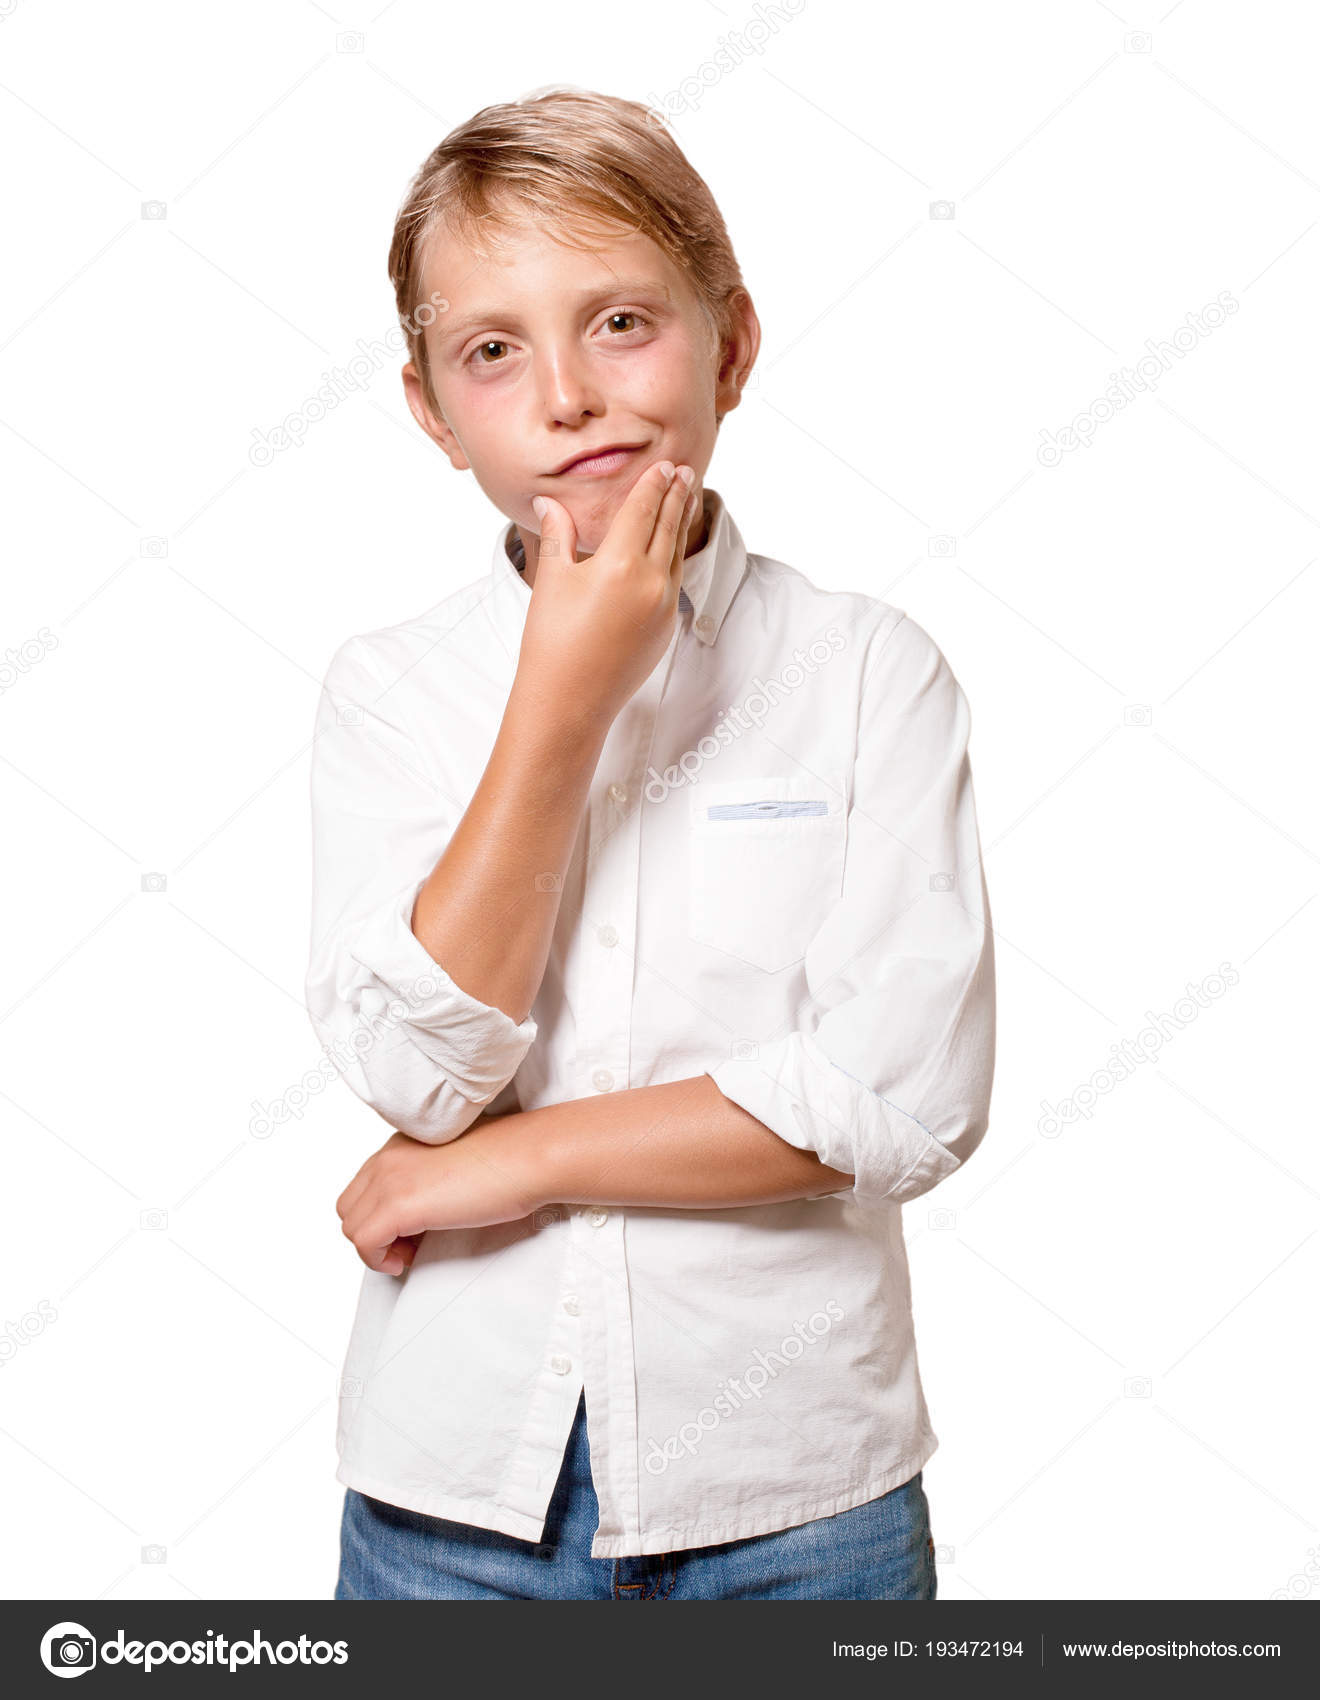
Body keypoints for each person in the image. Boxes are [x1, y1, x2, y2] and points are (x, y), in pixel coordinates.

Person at [304, 87, 996, 1602]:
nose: (567, 396)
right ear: (432, 408)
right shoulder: (391, 690)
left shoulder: (871, 671)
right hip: (448, 1516)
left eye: (621, 322)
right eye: (494, 350)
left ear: (730, 346)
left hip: (802, 1508)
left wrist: (502, 1168)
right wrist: (561, 699)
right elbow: (422, 1078)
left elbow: (900, 1096)